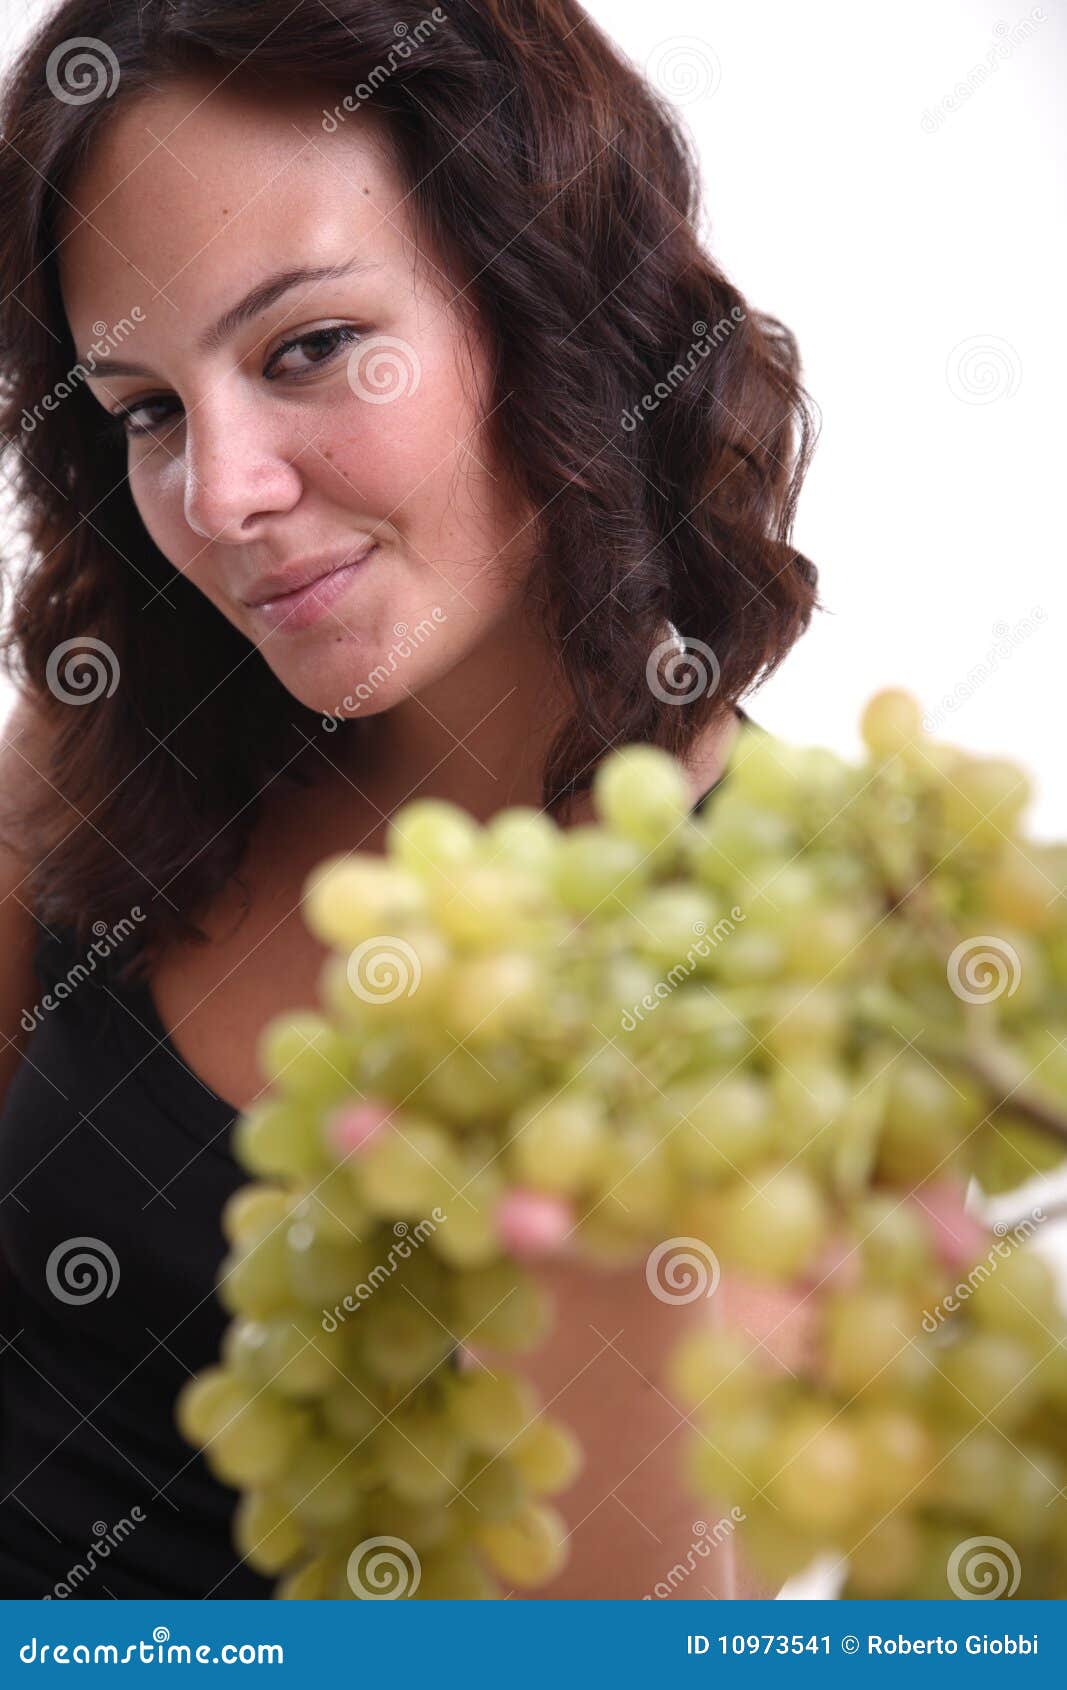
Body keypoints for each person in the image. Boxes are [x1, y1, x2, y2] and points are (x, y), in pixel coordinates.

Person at [0, 0, 817, 1599]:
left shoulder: (783, 967)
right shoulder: (112, 746)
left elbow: (600, 1652)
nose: (218, 491)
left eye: (305, 348)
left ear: (554, 310)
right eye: (147, 407)